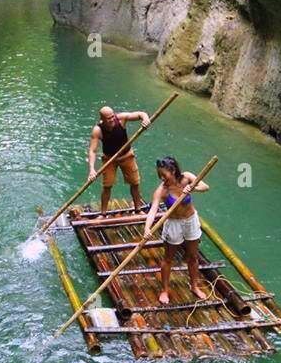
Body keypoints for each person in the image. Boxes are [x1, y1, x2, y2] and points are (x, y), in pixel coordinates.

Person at [143, 156, 210, 305]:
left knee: (193, 256)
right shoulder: (162, 190)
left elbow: (205, 187)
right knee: (168, 259)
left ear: (173, 171)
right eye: (159, 175)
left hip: (191, 220)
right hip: (174, 224)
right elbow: (153, 210)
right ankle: (165, 290)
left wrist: (194, 188)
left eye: (164, 175)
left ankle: (194, 286)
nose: (162, 178)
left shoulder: (186, 178)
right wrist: (147, 228)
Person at [87, 106, 150, 211]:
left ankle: (138, 209)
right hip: (109, 159)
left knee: (135, 183)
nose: (112, 119)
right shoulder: (97, 130)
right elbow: (92, 151)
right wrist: (92, 169)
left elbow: (140, 114)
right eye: (108, 118)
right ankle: (103, 213)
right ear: (102, 119)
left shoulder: (121, 118)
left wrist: (146, 119)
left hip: (127, 156)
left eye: (112, 116)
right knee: (107, 186)